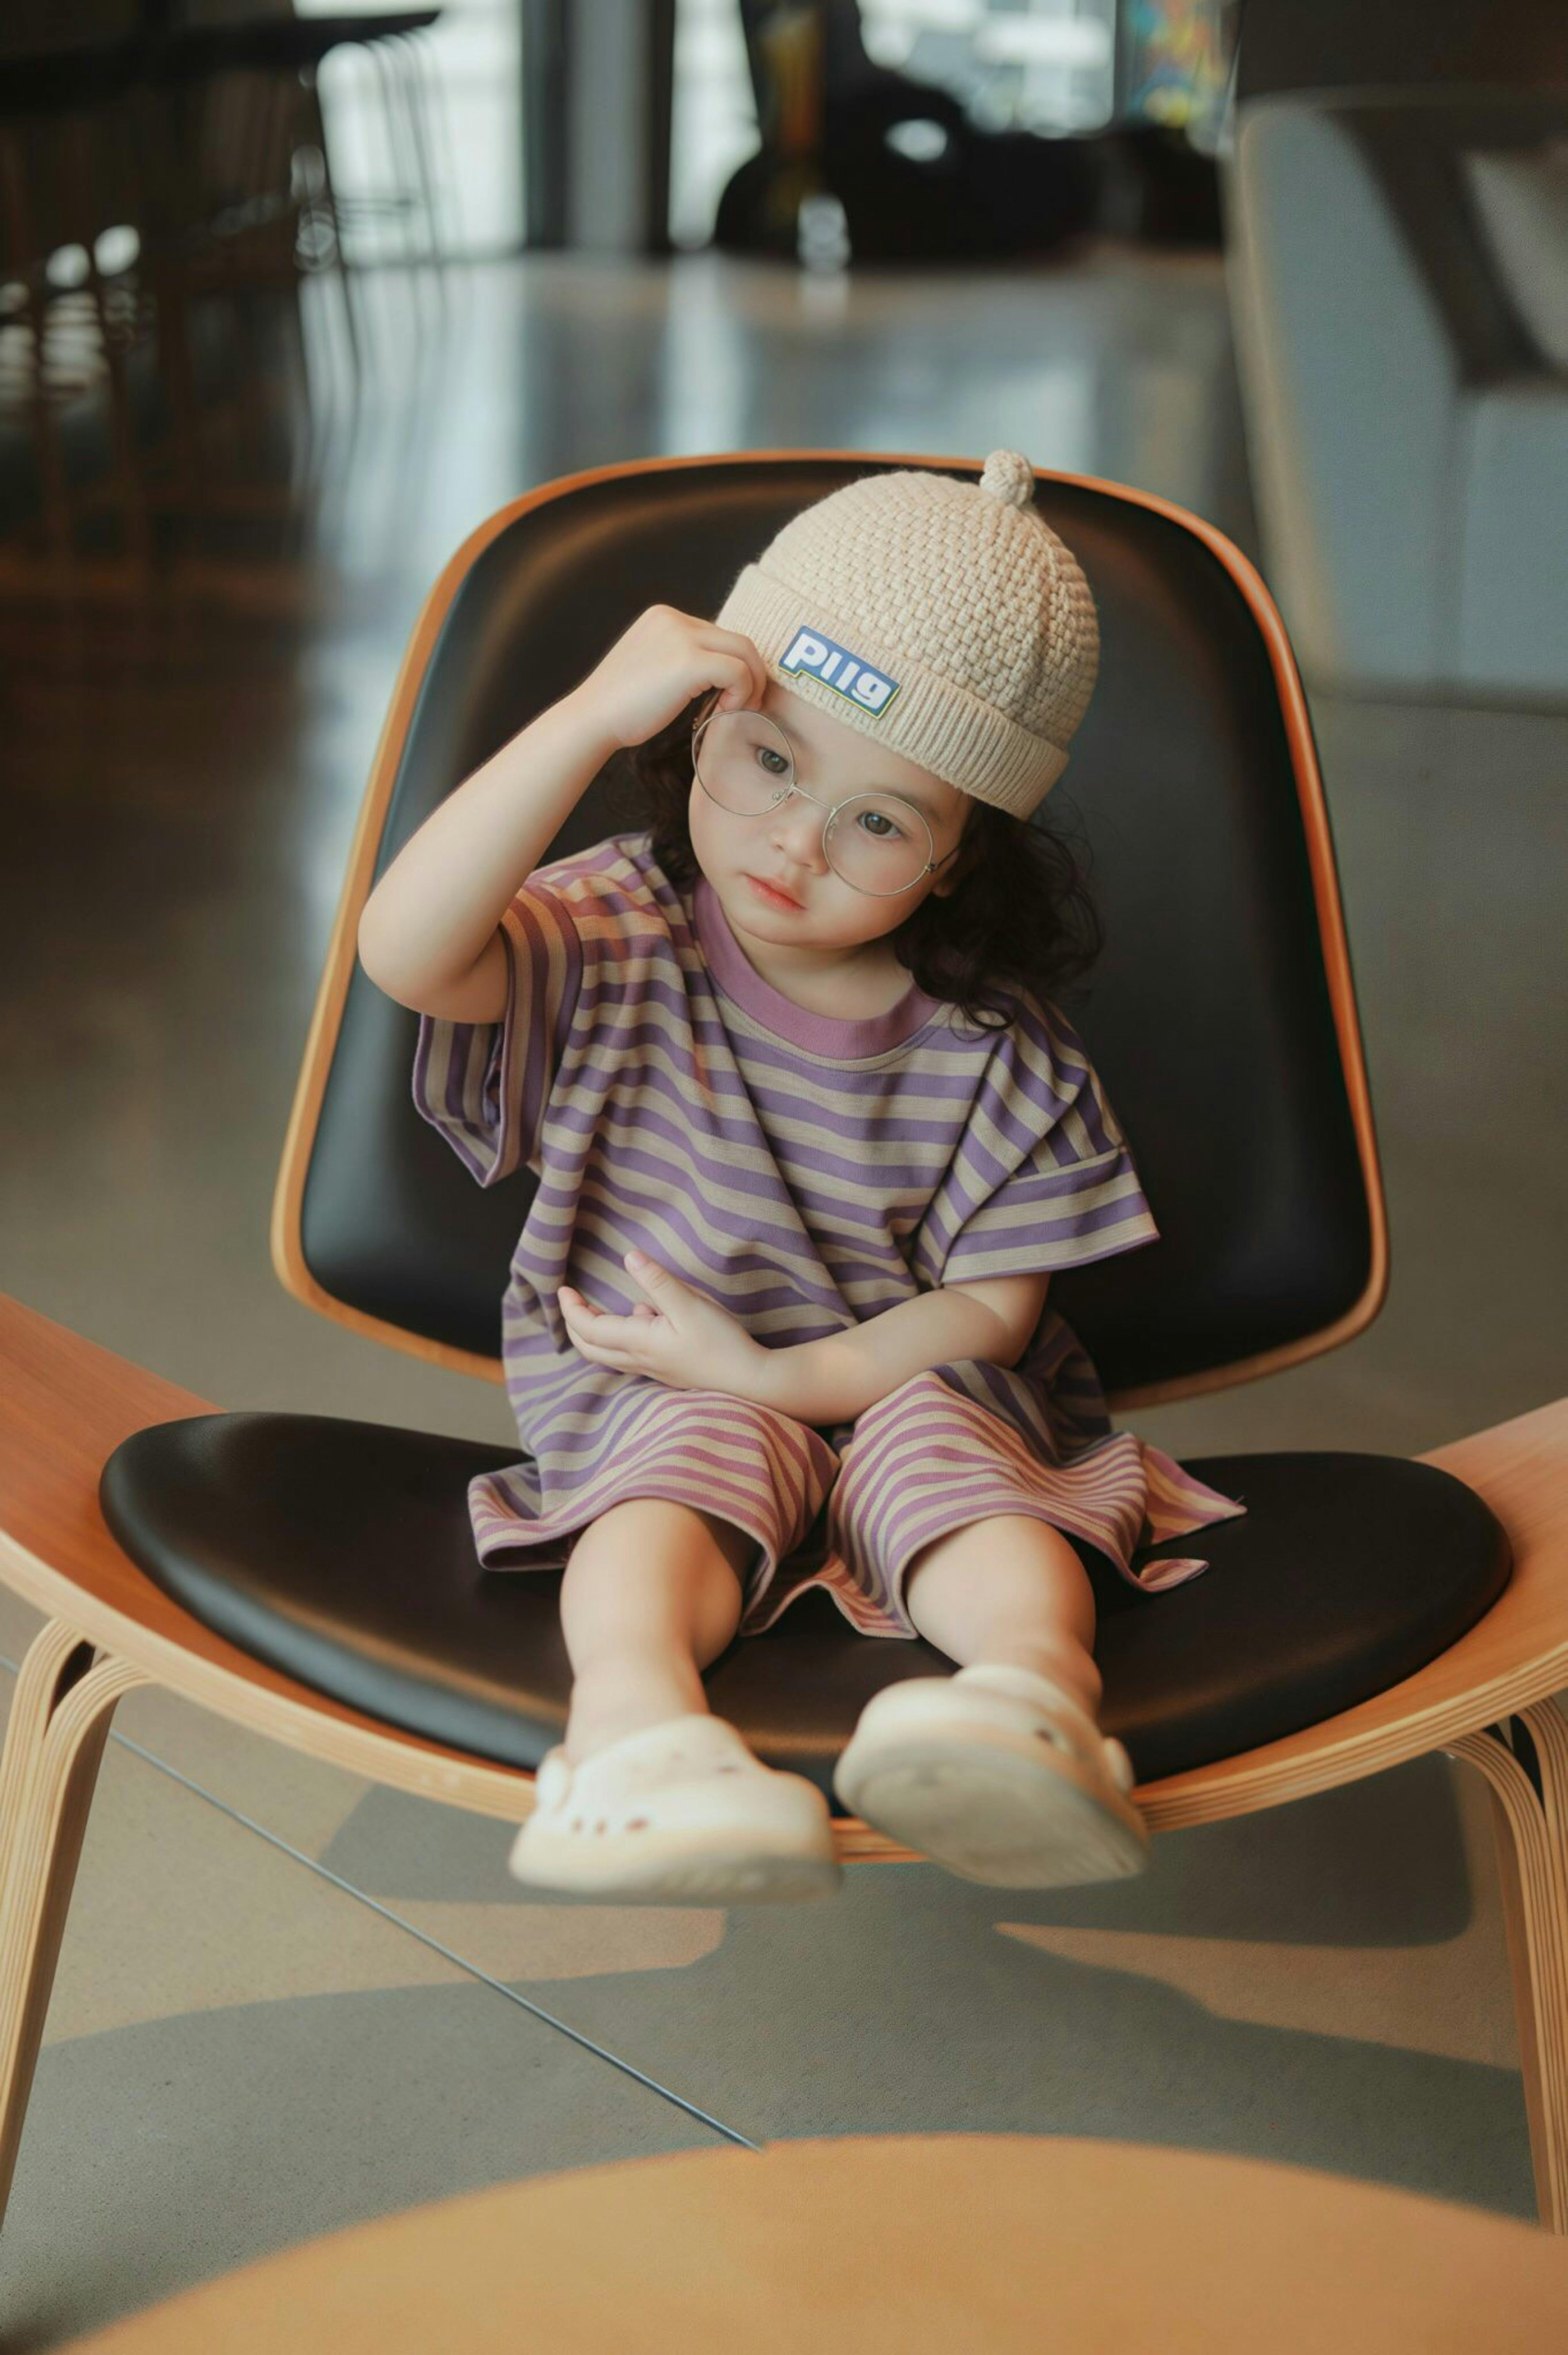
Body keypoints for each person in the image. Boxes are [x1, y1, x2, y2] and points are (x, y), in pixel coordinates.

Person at [357, 449, 1247, 1910]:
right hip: (670, 1399)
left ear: (961, 860)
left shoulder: (992, 1047)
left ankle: (1032, 1705)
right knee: (670, 1487)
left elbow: (991, 1321)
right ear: (708, 721)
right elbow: (405, 949)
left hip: (908, 1384)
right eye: (771, 761)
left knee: (965, 1474)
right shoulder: (610, 930)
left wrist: (792, 1377)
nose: (796, 845)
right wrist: (583, 720)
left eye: (882, 821)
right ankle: (634, 1738)